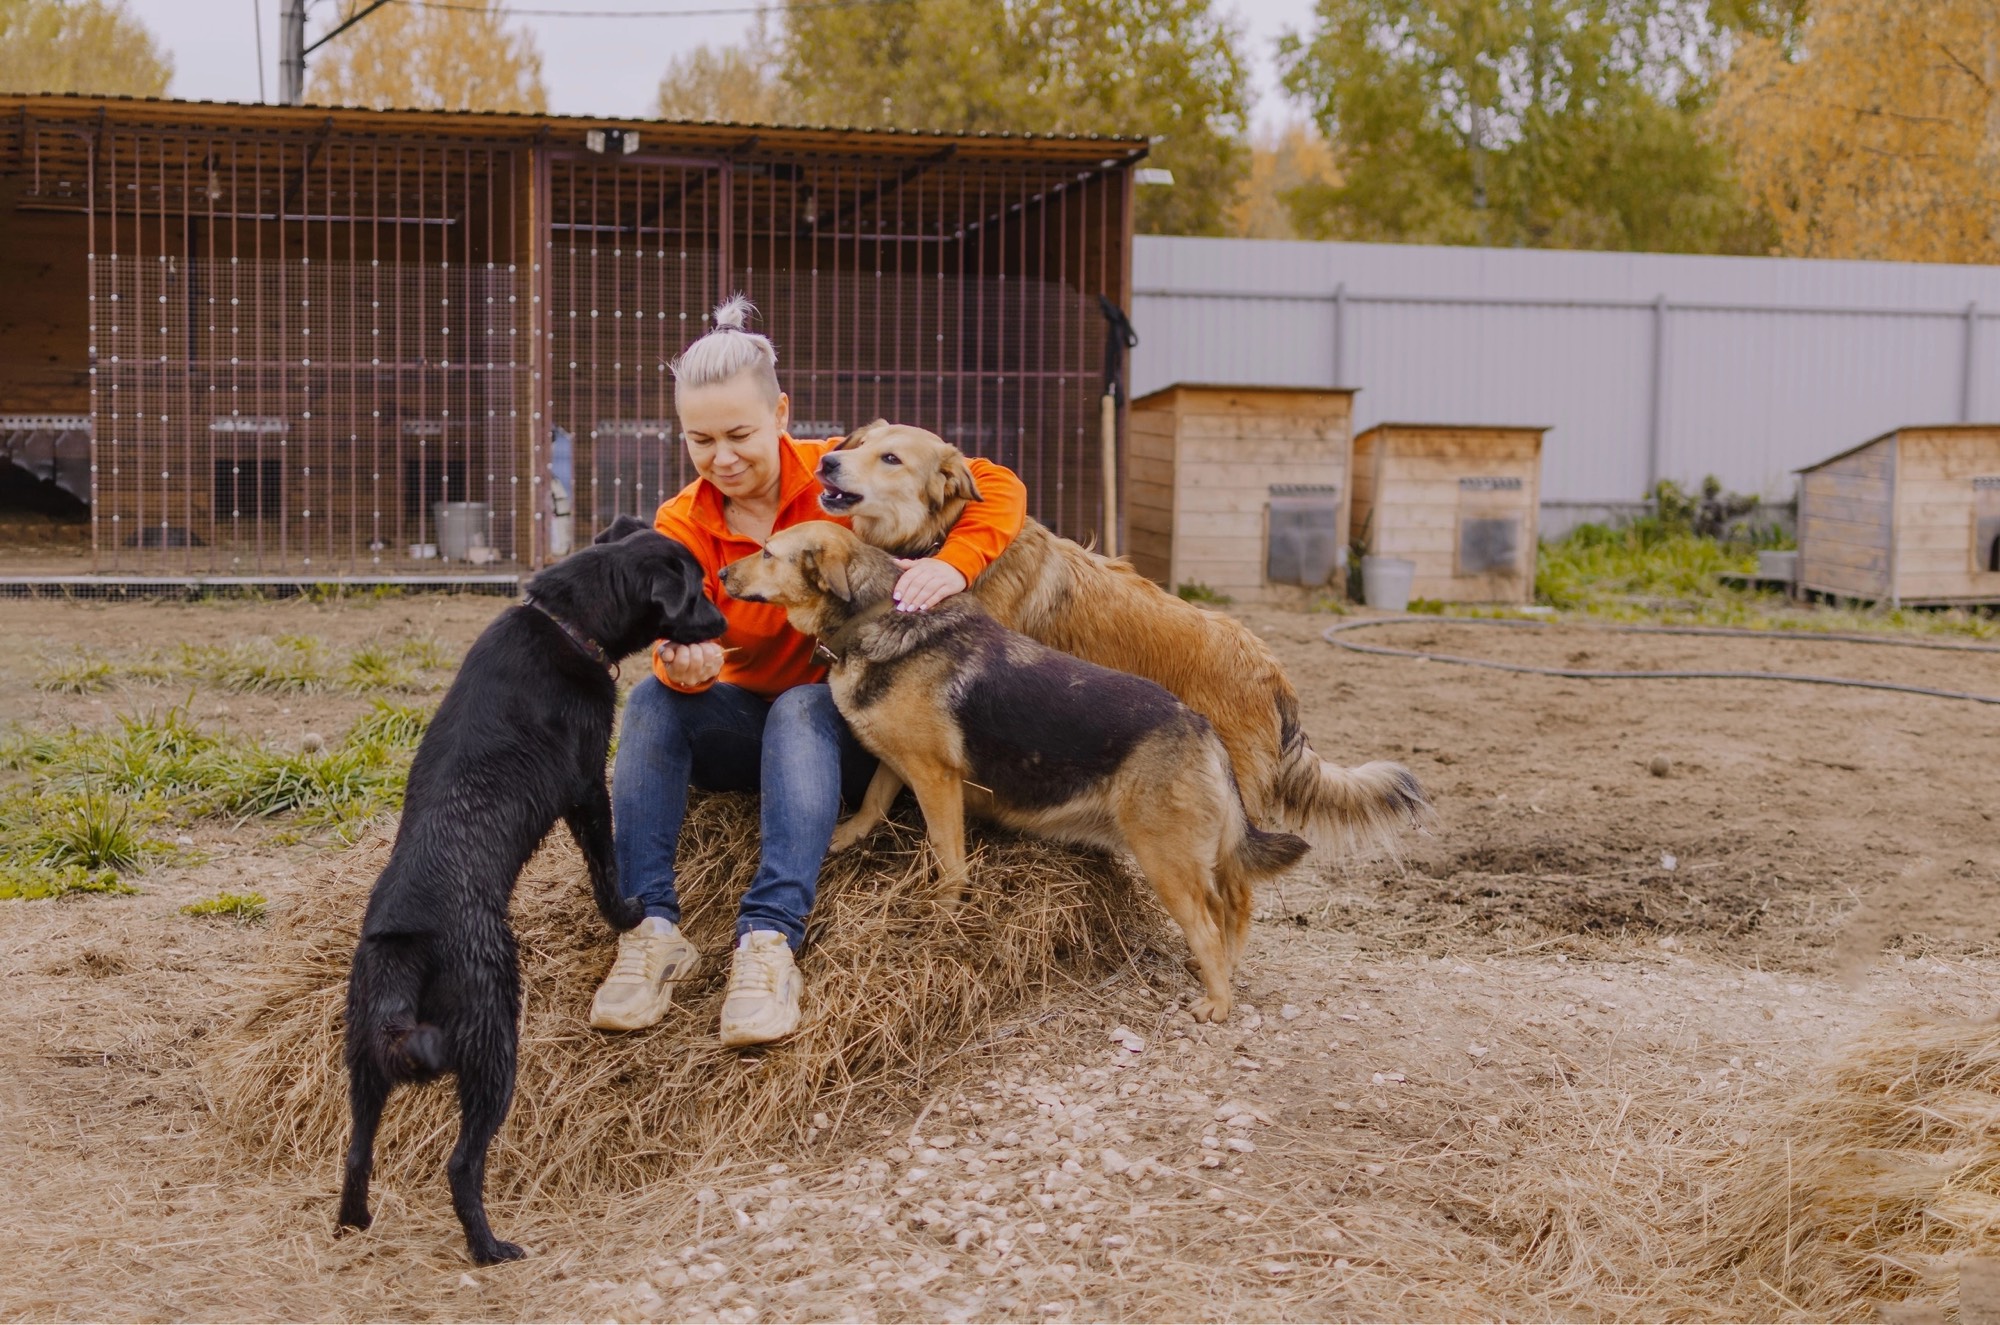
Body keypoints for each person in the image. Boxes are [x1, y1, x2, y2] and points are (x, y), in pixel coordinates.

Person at [589, 295, 1027, 1046]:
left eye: (739, 434)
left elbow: (998, 485)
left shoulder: (838, 476)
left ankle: (768, 941)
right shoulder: (682, 524)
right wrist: (680, 662)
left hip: (846, 726)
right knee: (652, 703)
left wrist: (952, 566)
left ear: (780, 412)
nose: (722, 458)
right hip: (742, 729)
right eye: (700, 440)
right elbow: (663, 632)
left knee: (802, 704)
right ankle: (650, 930)